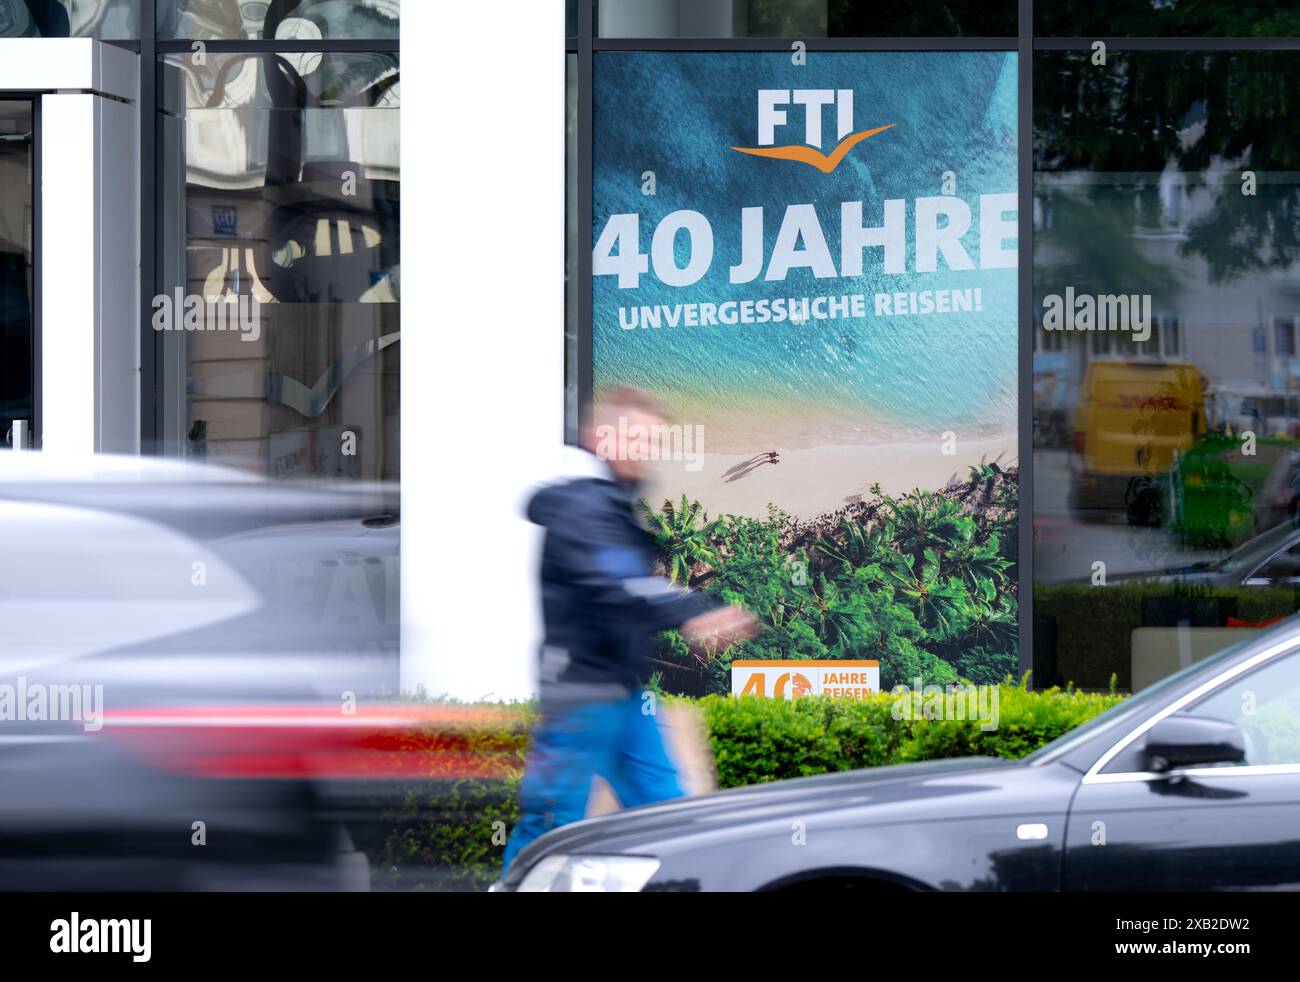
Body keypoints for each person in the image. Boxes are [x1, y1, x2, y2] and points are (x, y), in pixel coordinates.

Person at [500, 387, 759, 876]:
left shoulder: (610, 503)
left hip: (622, 693)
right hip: (580, 698)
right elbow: (619, 585)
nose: (645, 452)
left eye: (653, 442)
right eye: (636, 438)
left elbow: (630, 588)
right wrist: (693, 610)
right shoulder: (583, 505)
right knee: (551, 827)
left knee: (669, 818)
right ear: (600, 437)